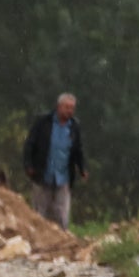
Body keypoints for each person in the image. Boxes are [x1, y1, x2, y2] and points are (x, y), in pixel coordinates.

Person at [22, 93, 87, 230]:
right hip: (43, 173)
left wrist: (82, 169)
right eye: (67, 107)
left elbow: (77, 150)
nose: (69, 111)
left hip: (63, 176)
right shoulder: (43, 122)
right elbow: (30, 144)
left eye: (72, 108)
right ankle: (38, 237)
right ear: (59, 107)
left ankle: (63, 239)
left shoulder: (74, 126)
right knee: (40, 212)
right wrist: (28, 164)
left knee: (62, 213)